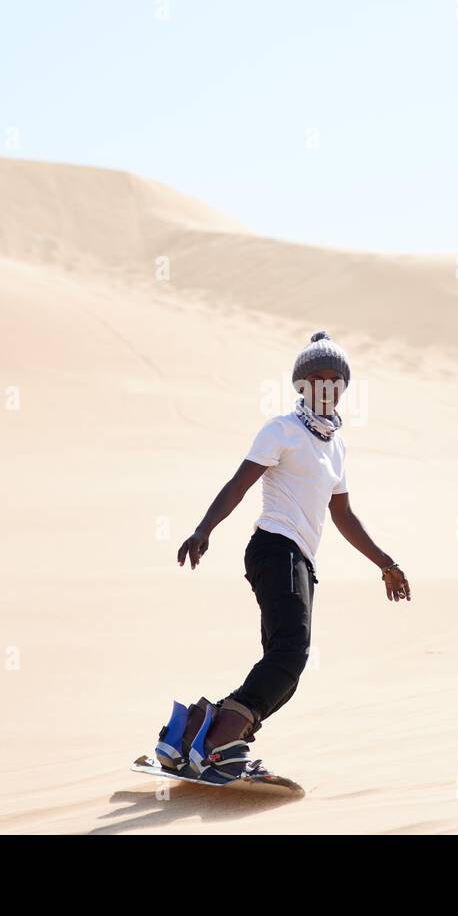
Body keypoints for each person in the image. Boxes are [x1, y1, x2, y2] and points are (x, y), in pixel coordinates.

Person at [153, 331, 411, 783]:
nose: (326, 386)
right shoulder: (282, 430)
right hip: (276, 547)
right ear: (301, 385)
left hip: (299, 560)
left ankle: (194, 730)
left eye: (335, 379)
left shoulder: (336, 445)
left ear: (344, 388)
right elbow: (240, 482)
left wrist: (386, 564)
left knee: (283, 664)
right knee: (291, 653)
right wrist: (203, 528)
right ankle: (220, 744)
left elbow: (343, 513)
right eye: (316, 378)